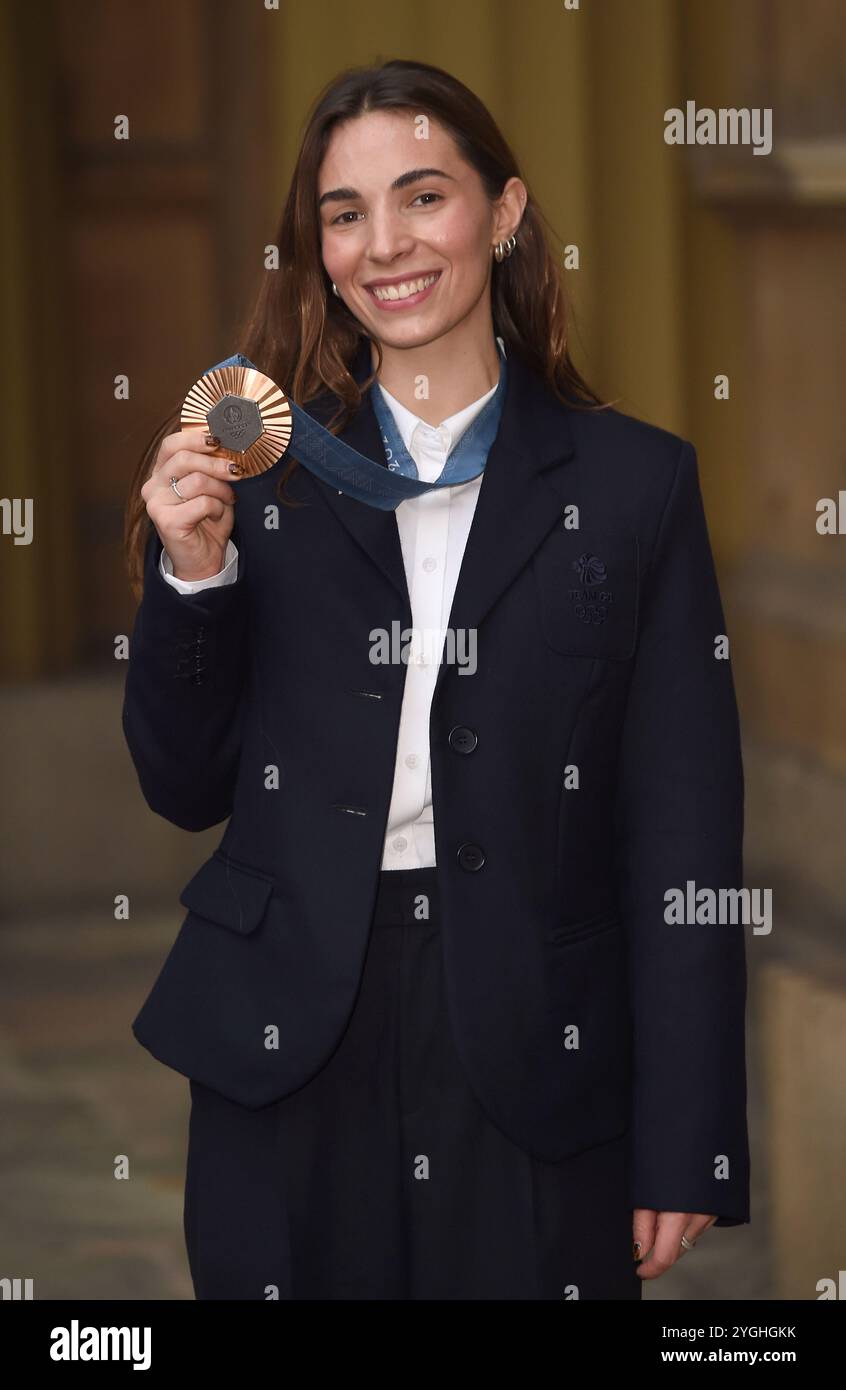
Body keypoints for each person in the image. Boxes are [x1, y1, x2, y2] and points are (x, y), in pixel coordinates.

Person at [122, 59, 749, 1301]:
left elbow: (682, 840)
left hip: (528, 1038)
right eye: (346, 213)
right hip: (286, 1036)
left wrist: (690, 1134)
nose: (385, 245)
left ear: (504, 213)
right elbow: (183, 784)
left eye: (423, 197)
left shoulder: (636, 490)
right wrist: (194, 579)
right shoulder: (260, 479)